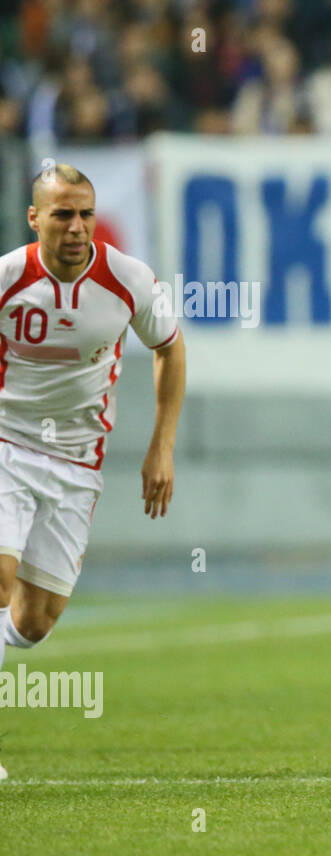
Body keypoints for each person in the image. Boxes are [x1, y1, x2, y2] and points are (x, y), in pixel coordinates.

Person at [0, 165, 184, 780]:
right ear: (35, 219)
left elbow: (169, 347)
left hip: (78, 460)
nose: (76, 227)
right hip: (6, 444)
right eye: (62, 215)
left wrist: (161, 443)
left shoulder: (128, 279)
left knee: (33, 621)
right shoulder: (7, 278)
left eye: (84, 213)